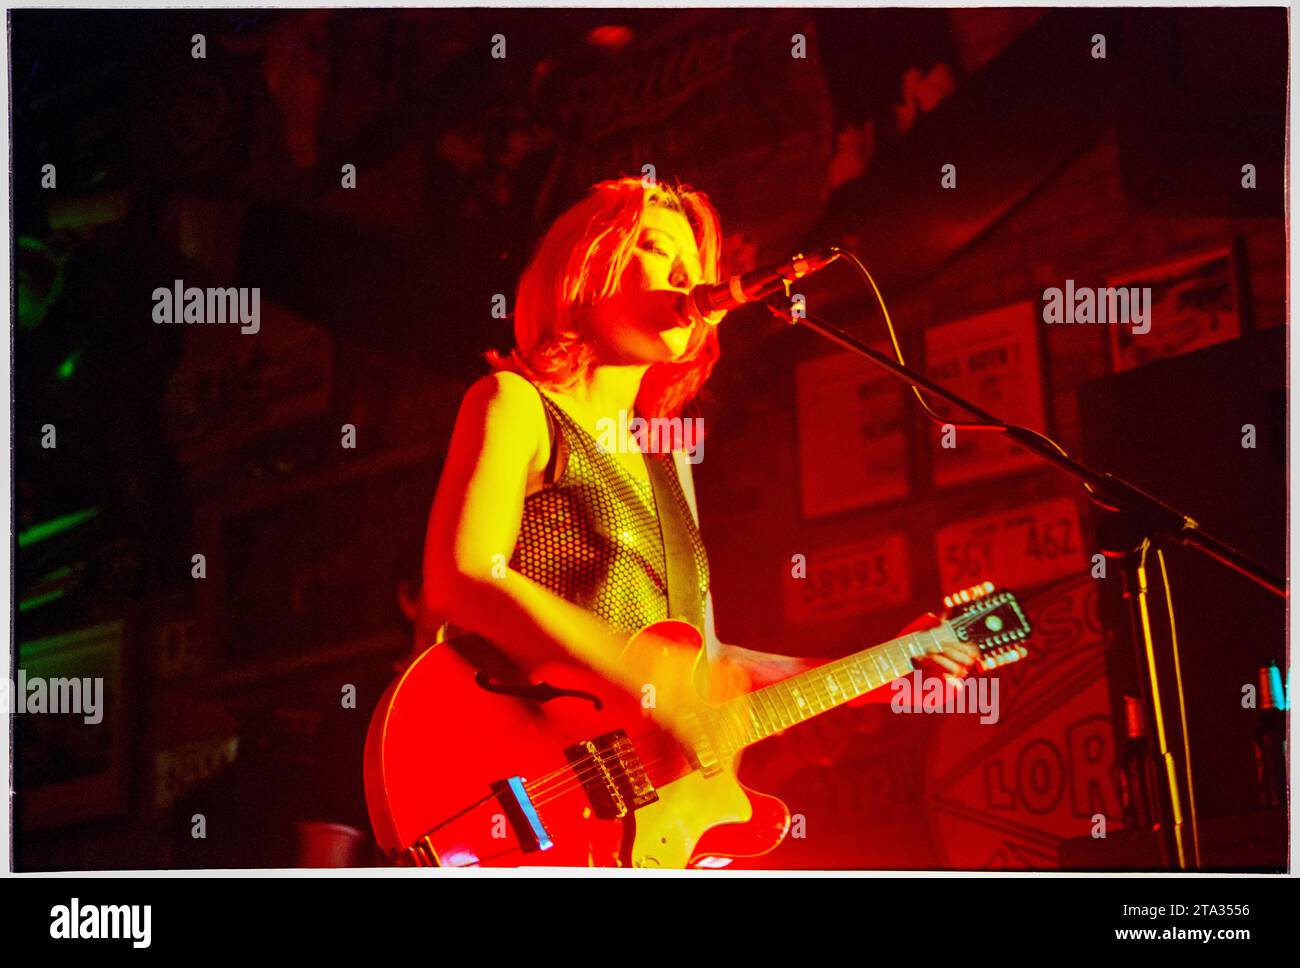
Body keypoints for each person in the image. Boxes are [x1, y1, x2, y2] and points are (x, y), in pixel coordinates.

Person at [416, 175, 978, 746]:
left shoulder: (667, 459)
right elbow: (462, 578)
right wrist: (637, 675)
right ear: (583, 266)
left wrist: (885, 671)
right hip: (521, 766)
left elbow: (705, 674)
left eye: (697, 262)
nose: (692, 277)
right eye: (658, 249)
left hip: (643, 815)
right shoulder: (516, 404)